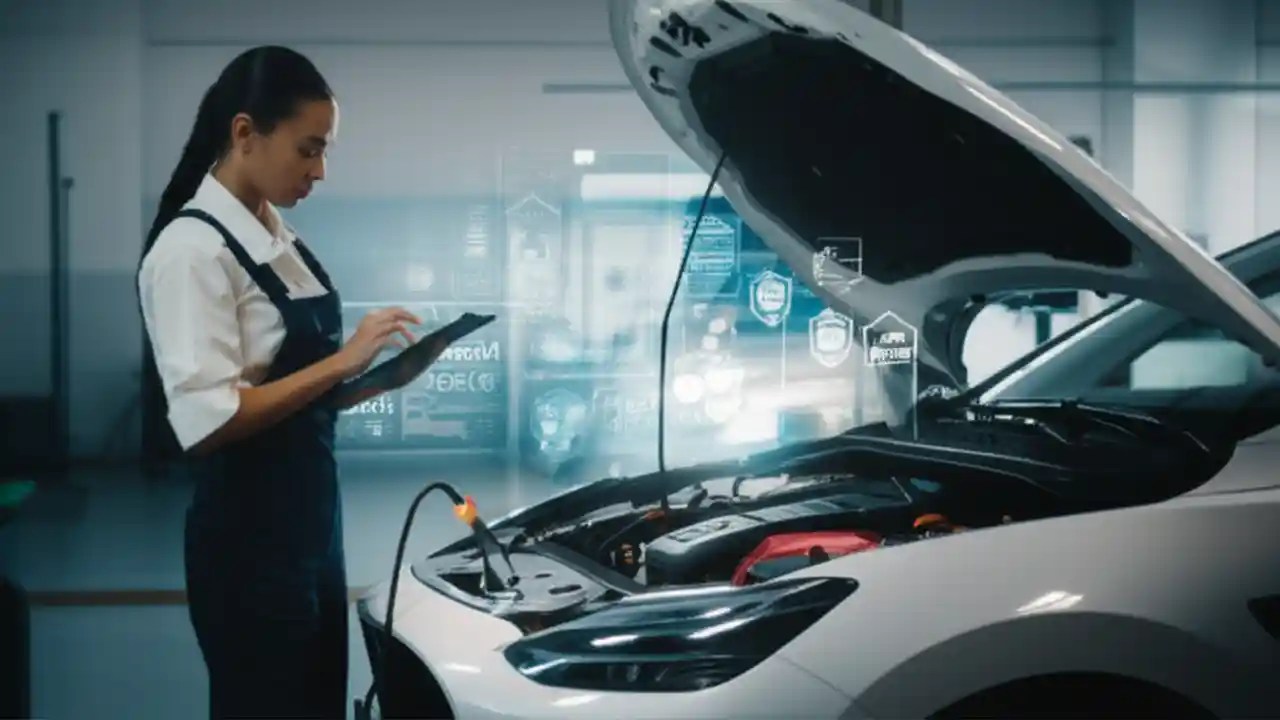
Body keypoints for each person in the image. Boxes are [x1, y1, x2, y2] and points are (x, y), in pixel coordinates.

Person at [137, 46, 419, 718]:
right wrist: (342, 361)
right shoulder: (190, 252)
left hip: (313, 529)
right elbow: (207, 423)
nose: (319, 171)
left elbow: (299, 394)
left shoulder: (276, 236)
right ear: (244, 133)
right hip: (249, 545)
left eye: (325, 153)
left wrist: (378, 379)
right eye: (308, 149)